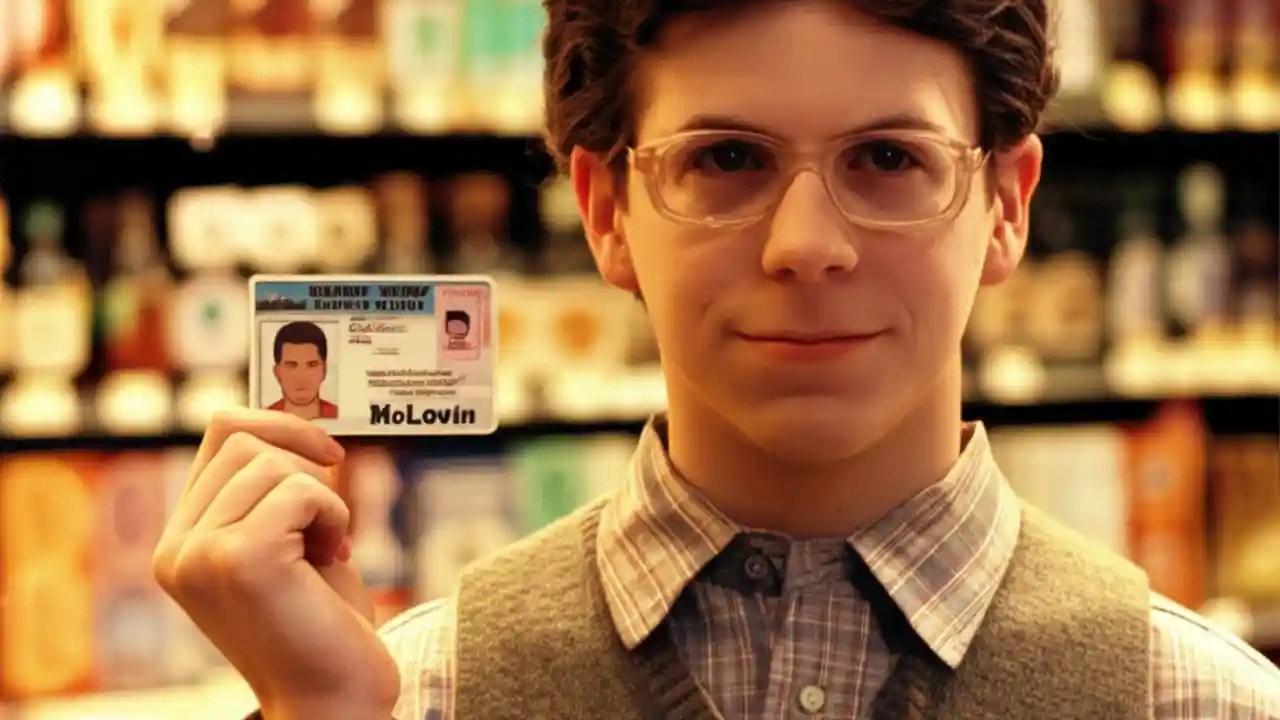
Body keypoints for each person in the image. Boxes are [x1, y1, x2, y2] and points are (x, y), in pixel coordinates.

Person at [153, 1, 1280, 718]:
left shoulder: (1200, 703)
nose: (806, 245)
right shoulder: (406, 695)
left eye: (890, 158)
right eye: (726, 158)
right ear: (605, 211)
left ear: (1006, 205)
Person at [267, 321, 339, 420]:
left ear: (324, 370)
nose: (302, 377)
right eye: (291, 365)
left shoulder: (342, 418)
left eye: (312, 365)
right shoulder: (263, 420)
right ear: (277, 372)